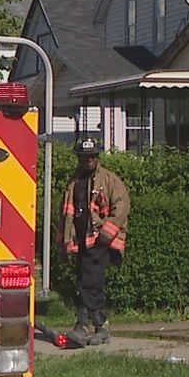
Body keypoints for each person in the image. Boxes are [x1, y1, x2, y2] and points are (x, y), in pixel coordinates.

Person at [61, 134, 130, 345]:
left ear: (97, 157)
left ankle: (82, 326)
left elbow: (123, 205)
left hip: (100, 241)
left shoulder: (109, 180)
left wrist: (106, 233)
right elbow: (66, 214)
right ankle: (99, 327)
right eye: (84, 157)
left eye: (91, 156)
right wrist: (64, 243)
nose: (87, 160)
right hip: (81, 241)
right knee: (88, 283)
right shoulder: (74, 182)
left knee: (89, 282)